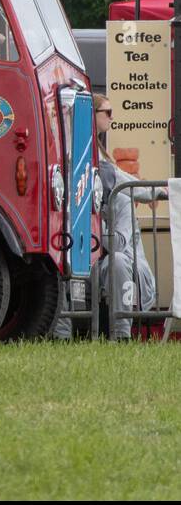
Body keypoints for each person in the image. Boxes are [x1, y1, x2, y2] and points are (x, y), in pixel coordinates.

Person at [54, 94, 165, 340]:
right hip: (90, 261)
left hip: (121, 266)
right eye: (108, 112)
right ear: (91, 117)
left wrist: (164, 191)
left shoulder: (117, 191)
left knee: (115, 260)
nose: (113, 117)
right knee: (60, 260)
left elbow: (137, 191)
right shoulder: (86, 161)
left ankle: (122, 337)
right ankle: (61, 338)